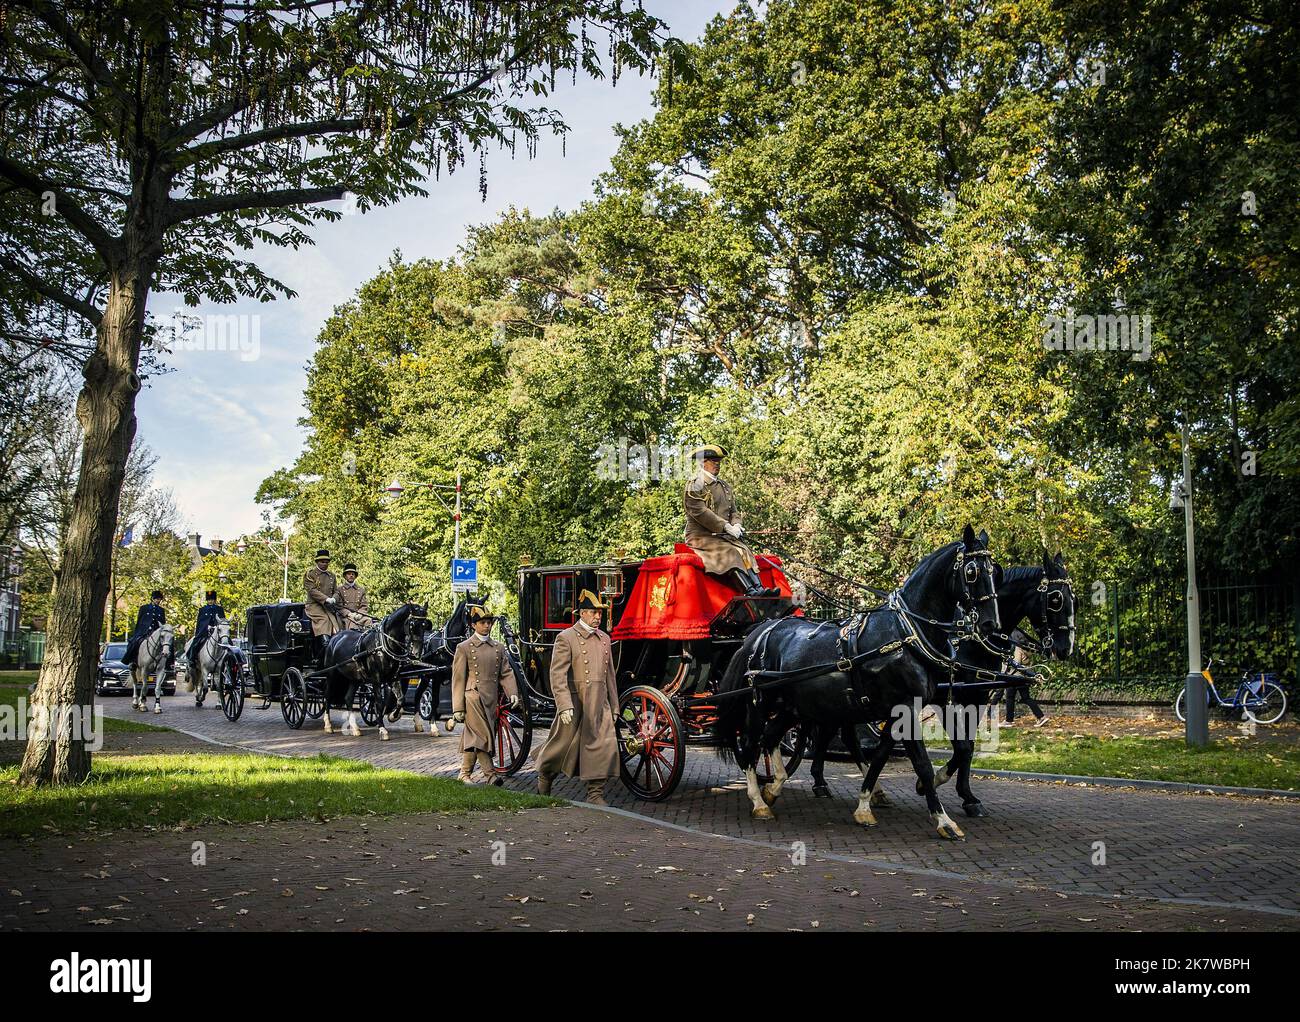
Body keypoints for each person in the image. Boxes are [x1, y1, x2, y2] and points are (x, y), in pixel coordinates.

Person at [535, 590, 620, 805]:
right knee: (561, 747)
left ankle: (595, 794)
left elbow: (610, 677)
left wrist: (615, 706)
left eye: (600, 613)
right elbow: (557, 674)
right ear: (582, 613)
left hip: (599, 704)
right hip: (575, 703)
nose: (598, 617)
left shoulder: (605, 639)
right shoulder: (566, 637)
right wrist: (564, 706)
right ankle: (545, 775)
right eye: (593, 612)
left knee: (603, 746)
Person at [682, 444, 774, 598]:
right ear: (702, 462)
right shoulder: (694, 485)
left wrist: (736, 524)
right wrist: (725, 526)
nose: (717, 464)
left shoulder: (725, 486)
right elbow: (700, 511)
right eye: (713, 460)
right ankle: (750, 592)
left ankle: (759, 589)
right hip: (701, 537)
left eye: (719, 461)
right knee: (731, 552)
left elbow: (733, 511)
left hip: (723, 536)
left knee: (744, 550)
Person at [449, 604, 519, 785]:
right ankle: (490, 775)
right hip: (473, 697)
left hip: (491, 700)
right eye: (482, 622)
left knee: (475, 737)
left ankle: (464, 774)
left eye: (489, 622)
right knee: (482, 736)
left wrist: (512, 692)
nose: (487, 626)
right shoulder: (464, 647)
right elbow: (458, 679)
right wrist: (458, 707)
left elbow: (506, 672)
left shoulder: (499, 647)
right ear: (474, 625)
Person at [303, 549, 342, 661]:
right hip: (314, 606)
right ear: (317, 562)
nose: (325, 564)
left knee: (338, 623)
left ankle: (335, 650)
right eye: (322, 561)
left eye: (326, 562)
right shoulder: (310, 574)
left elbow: (336, 591)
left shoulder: (332, 576)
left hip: (329, 606)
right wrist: (326, 599)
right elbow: (312, 591)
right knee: (324, 620)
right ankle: (324, 650)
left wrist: (334, 599)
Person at [121, 590, 167, 667]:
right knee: (134, 643)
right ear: (152, 598)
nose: (158, 601)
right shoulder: (144, 608)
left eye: (159, 599)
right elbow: (139, 621)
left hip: (156, 632)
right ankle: (132, 661)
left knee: (167, 645)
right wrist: (138, 632)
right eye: (157, 599)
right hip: (144, 632)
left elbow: (163, 623)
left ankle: (168, 665)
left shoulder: (161, 610)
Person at [186, 590, 226, 675]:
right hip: (204, 632)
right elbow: (200, 622)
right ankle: (191, 660)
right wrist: (203, 629)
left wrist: (216, 627)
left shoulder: (219, 609)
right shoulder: (202, 609)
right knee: (195, 644)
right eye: (209, 600)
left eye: (212, 599)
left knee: (228, 643)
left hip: (218, 632)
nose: (210, 601)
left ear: (214, 600)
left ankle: (230, 663)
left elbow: (223, 621)